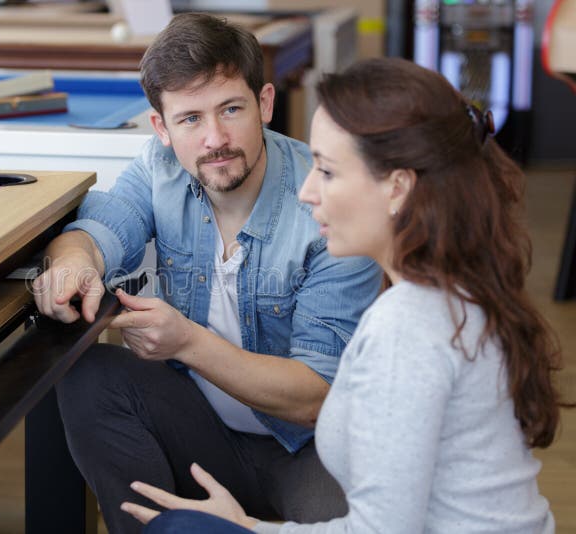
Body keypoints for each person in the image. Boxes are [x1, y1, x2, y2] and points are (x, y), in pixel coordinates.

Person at [120, 57, 570, 534]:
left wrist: (248, 530)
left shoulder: (407, 327)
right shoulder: (451, 292)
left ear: (398, 187)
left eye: (328, 172)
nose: (308, 191)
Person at [31, 13, 382, 534]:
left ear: (265, 103)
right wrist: (74, 264)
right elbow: (99, 229)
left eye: (231, 109)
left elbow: (315, 397)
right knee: (89, 375)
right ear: (163, 129)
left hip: (309, 451)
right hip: (201, 431)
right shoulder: (161, 168)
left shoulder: (326, 204)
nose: (215, 138)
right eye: (190, 119)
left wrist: (186, 342)